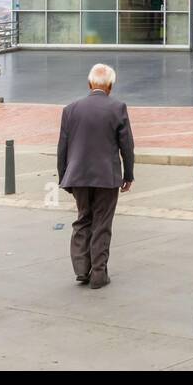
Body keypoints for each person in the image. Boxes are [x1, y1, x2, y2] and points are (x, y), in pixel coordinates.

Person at [56, 63, 134, 290]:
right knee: (102, 223)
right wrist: (128, 175)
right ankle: (99, 273)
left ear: (90, 84)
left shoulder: (70, 109)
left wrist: (64, 178)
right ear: (110, 86)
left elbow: (62, 147)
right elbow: (127, 146)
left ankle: (81, 269)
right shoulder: (118, 108)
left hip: (78, 175)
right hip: (107, 177)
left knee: (83, 219)